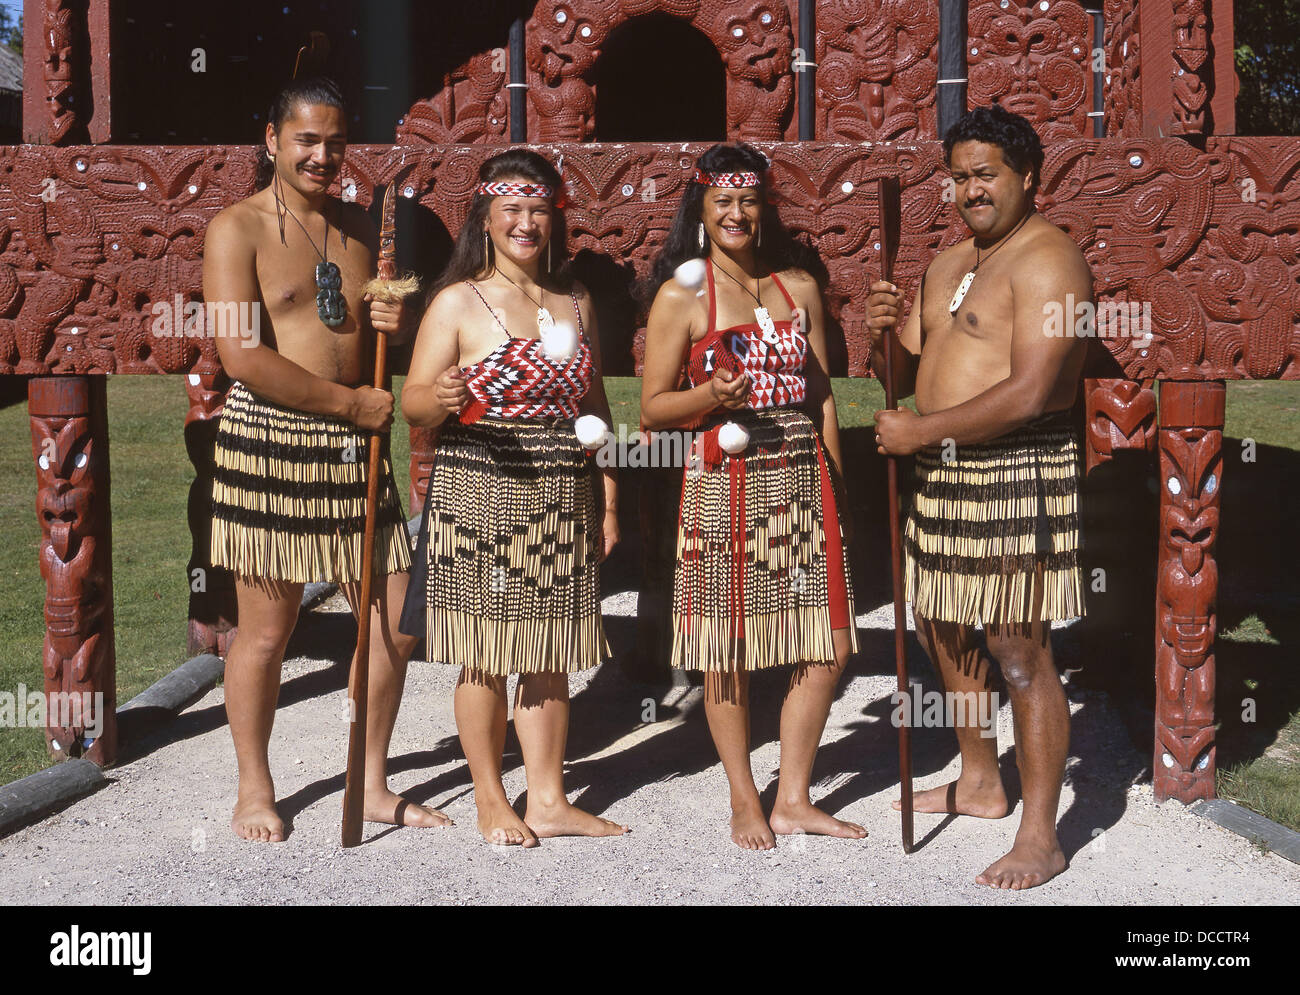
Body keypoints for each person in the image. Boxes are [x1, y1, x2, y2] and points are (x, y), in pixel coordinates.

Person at [203, 76, 450, 842]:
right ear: (271, 140)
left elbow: (373, 335)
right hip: (270, 441)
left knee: (397, 619)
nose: (321, 155)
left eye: (335, 143)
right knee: (267, 630)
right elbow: (240, 354)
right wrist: (347, 405)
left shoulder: (359, 227)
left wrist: (395, 319)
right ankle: (254, 786)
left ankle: (369, 781)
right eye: (306, 140)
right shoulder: (233, 229)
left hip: (354, 444)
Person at [867, 104, 1091, 889]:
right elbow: (903, 379)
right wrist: (882, 335)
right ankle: (979, 780)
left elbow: (1034, 392)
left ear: (1029, 176)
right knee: (942, 625)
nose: (969, 190)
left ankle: (1041, 833)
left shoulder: (1050, 260)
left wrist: (920, 434)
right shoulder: (945, 262)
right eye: (959, 176)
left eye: (985, 174)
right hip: (942, 472)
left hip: (1014, 470)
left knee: (1018, 649)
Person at [399, 150, 628, 848]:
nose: (526, 222)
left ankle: (551, 797)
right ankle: (491, 798)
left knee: (550, 646)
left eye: (538, 209)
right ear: (487, 217)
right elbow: (412, 402)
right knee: (484, 650)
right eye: (512, 210)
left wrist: (610, 500)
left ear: (553, 214)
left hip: (562, 487)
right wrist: (436, 397)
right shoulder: (456, 301)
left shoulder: (577, 299)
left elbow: (596, 410)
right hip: (479, 485)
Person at [641, 143, 865, 851]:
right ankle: (744, 795)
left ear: (764, 207)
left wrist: (836, 479)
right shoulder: (683, 291)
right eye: (722, 201)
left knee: (825, 643)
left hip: (801, 475)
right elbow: (651, 409)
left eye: (749, 200)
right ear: (701, 210)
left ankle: (793, 795)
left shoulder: (798, 286)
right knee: (725, 646)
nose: (737, 213)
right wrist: (711, 394)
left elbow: (822, 391)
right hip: (722, 481)